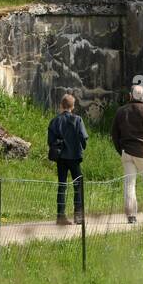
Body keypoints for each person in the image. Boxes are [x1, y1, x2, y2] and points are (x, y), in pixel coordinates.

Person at [110, 83, 143, 223]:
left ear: (130, 95)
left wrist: (120, 150)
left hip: (127, 152)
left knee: (129, 184)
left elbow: (114, 134)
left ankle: (131, 216)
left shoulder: (121, 111)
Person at [47, 93, 89, 226]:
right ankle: (78, 216)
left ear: (61, 105)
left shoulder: (55, 121)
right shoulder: (78, 120)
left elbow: (50, 141)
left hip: (61, 158)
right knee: (78, 185)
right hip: (75, 157)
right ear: (73, 106)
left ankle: (61, 215)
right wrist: (81, 147)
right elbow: (83, 137)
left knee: (62, 185)